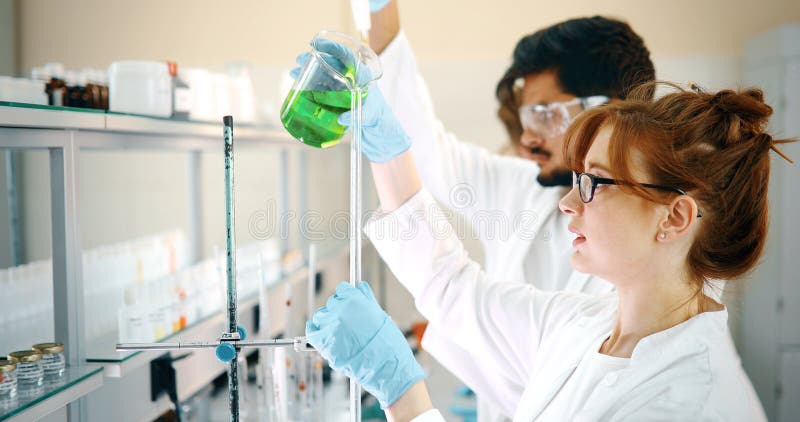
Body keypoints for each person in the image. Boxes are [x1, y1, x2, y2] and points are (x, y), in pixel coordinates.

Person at [306, 82, 794, 421]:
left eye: (595, 183)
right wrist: (385, 149)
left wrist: (406, 399)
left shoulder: (689, 405)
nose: (566, 202)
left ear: (675, 217)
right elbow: (454, 288)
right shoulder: (585, 326)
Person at [366, 3, 655, 419]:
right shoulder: (524, 185)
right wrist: (378, 13)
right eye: (526, 117)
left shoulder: (655, 244)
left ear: (607, 110)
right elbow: (426, 150)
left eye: (544, 115)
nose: (527, 140)